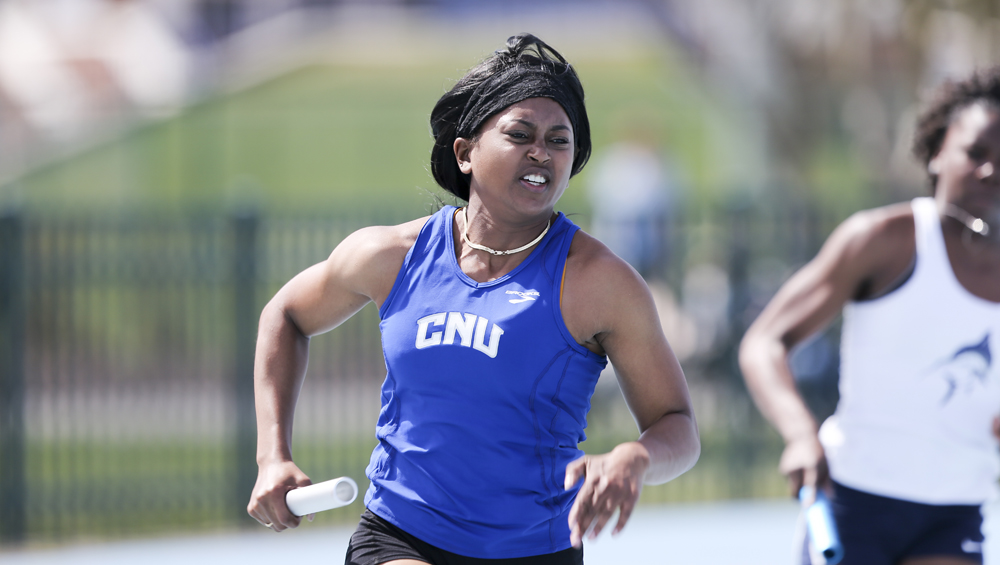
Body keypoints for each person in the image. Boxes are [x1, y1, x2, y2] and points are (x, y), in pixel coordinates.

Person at [246, 33, 700, 564]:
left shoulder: (598, 281)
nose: (541, 151)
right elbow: (286, 314)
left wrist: (635, 457)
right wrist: (272, 456)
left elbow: (677, 425)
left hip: (538, 549)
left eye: (560, 140)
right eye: (520, 133)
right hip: (401, 534)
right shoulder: (390, 255)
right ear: (465, 153)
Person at [739, 68, 1000, 565]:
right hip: (852, 501)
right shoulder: (885, 241)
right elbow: (764, 342)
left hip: (956, 510)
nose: (991, 172)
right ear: (939, 150)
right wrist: (800, 435)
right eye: (976, 153)